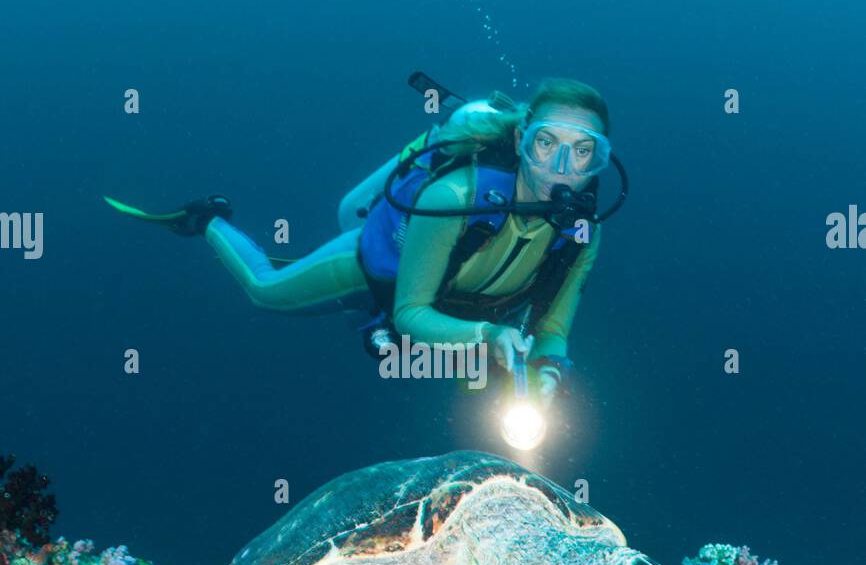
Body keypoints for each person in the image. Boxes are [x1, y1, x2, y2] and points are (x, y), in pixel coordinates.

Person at [106, 78, 611, 401]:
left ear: (600, 159)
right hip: (377, 270)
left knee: (484, 383)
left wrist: (549, 371)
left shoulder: (583, 234)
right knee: (265, 291)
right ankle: (207, 220)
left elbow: (552, 328)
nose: (560, 170)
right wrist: (486, 337)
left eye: (582, 151)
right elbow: (411, 313)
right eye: (547, 144)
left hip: (457, 307)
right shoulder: (453, 197)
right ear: (523, 140)